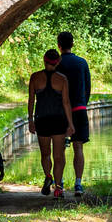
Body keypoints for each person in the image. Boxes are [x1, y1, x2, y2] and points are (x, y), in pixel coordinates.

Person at [28, 49, 75, 197]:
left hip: (42, 120)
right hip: (58, 121)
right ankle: (58, 188)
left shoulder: (35, 77)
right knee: (59, 156)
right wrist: (70, 124)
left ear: (44, 59)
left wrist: (30, 120)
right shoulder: (62, 79)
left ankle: (48, 175)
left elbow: (31, 101)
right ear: (58, 62)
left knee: (45, 154)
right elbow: (66, 103)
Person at [54, 31, 92, 196]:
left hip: (61, 112)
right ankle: (78, 184)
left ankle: (60, 183)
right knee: (78, 147)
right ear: (73, 44)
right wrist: (83, 103)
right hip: (79, 109)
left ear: (59, 45)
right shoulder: (82, 63)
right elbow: (88, 87)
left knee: (59, 148)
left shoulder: (57, 64)